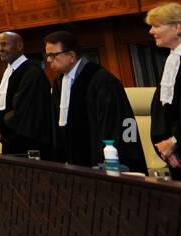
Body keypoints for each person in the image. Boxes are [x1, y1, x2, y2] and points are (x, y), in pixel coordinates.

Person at [46, 30, 145, 172]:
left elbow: (116, 126)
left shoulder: (102, 81)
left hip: (100, 162)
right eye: (47, 55)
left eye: (52, 55)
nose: (48, 60)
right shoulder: (59, 83)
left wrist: (107, 162)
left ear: (71, 56)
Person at [0, 31, 51, 157]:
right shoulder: (5, 73)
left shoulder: (32, 72)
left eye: (4, 44)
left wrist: (1, 129)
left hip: (28, 142)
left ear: (19, 47)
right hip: (9, 140)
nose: (0, 49)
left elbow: (24, 109)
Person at [146, 3, 181, 179]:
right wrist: (166, 147)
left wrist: (174, 142)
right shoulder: (172, 59)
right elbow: (161, 110)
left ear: (177, 27)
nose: (151, 31)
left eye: (156, 25)